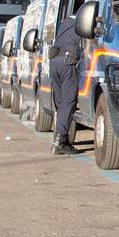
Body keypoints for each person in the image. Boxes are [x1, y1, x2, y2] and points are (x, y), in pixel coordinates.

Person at [49, 9, 83, 155]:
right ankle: (59, 142)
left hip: (54, 63)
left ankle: (63, 139)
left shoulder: (65, 22)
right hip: (67, 63)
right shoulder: (82, 22)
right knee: (68, 102)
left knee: (61, 102)